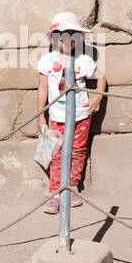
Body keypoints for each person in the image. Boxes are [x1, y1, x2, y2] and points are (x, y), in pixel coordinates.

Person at [36, 12, 108, 214]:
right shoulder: (47, 61)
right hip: (58, 117)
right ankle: (56, 192)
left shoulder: (83, 60)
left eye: (73, 34)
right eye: (63, 35)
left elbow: (101, 79)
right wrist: (41, 115)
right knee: (57, 153)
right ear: (54, 38)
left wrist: (97, 98)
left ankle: (72, 187)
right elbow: (42, 89)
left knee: (77, 152)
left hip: (81, 116)